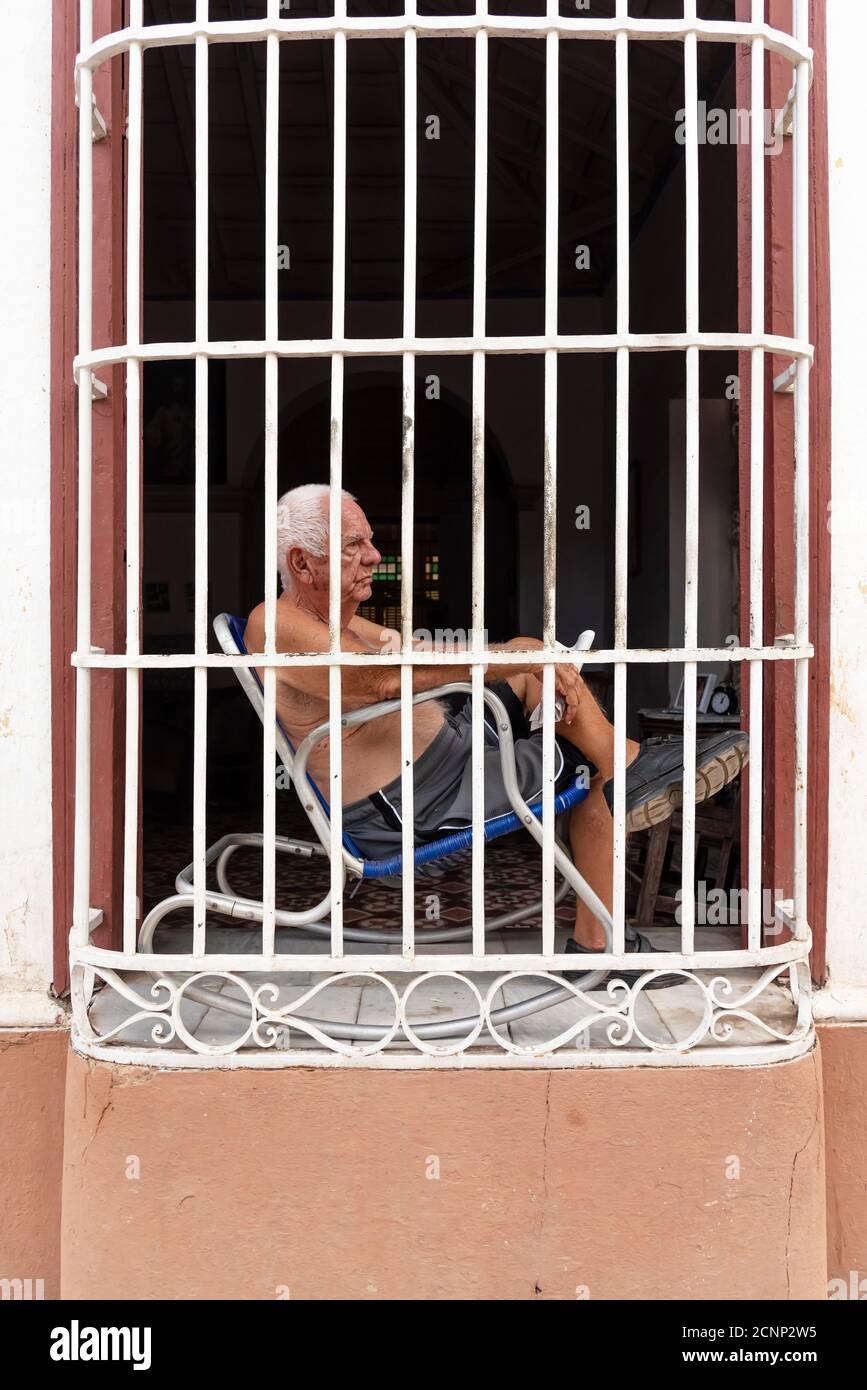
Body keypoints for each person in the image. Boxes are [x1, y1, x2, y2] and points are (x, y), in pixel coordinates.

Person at [246, 484, 748, 987]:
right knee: (587, 764)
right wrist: (512, 659)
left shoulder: (349, 624)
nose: (375, 556)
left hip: (448, 751)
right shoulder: (275, 622)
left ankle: (625, 765)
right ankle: (601, 935)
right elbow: (376, 681)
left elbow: (420, 652)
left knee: (533, 665)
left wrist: (526, 652)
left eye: (371, 541)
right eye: (355, 546)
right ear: (303, 563)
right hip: (410, 805)